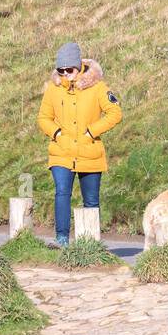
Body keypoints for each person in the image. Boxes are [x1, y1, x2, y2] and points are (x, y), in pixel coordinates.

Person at [36, 41, 122, 247]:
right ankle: (61, 239)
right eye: (61, 70)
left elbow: (115, 113)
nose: (66, 74)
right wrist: (56, 133)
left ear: (78, 66)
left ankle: (90, 244)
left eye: (70, 69)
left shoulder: (98, 87)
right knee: (62, 191)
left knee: (91, 200)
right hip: (61, 151)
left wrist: (92, 131)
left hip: (89, 151)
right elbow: (43, 118)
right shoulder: (53, 88)